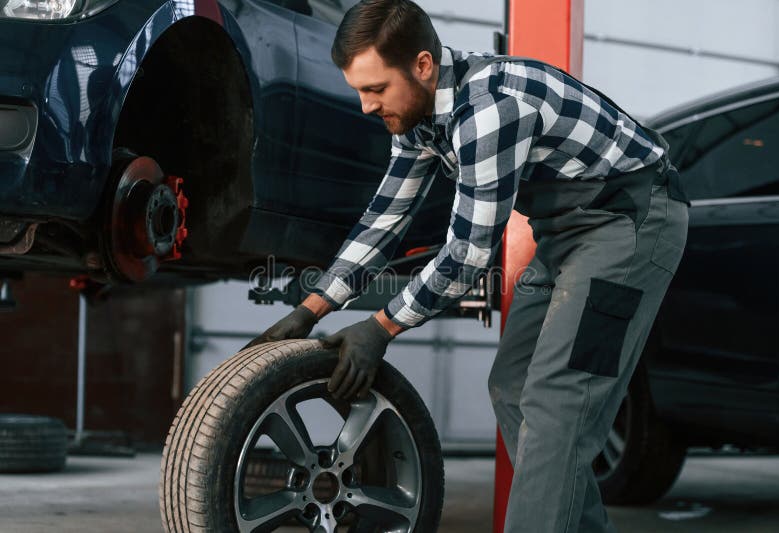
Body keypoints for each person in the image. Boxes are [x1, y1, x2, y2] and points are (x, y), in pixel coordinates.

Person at [245, 0, 690, 530]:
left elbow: (468, 255)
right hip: (567, 236)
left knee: (559, 402)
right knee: (513, 384)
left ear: (423, 65)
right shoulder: (418, 118)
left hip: (632, 230)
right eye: (359, 90)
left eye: (376, 89)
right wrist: (312, 308)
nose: (366, 106)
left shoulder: (489, 108)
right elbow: (385, 220)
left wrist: (382, 326)